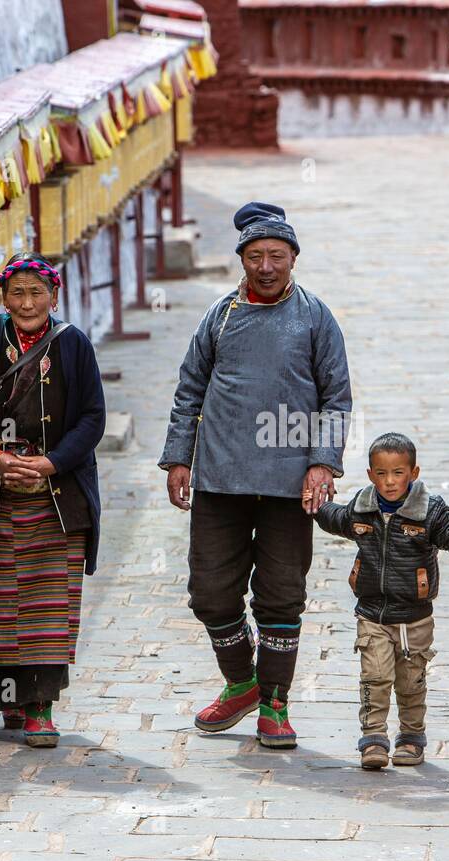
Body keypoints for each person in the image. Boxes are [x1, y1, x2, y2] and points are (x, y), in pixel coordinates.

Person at [159, 201, 352, 748]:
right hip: (220, 478)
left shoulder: (315, 317)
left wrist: (322, 462)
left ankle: (274, 704)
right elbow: (189, 390)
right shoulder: (218, 317)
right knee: (211, 594)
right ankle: (240, 682)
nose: (266, 266)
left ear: (293, 258)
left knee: (281, 593)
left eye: (277, 256)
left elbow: (336, 399)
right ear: (241, 259)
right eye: (255, 256)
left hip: (290, 484)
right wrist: (180, 457)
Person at [0, 252, 106, 747]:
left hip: (53, 498)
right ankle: (7, 699)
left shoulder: (73, 345)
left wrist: (52, 463)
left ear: (53, 297)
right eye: (18, 293)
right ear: (3, 297)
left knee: (44, 604)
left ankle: (40, 707)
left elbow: (92, 418)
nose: (28, 302)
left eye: (37, 292)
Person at [314, 433, 449, 769]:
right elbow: (336, 519)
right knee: (375, 677)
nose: (390, 481)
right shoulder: (362, 508)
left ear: (414, 472)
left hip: (415, 617)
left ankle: (411, 738)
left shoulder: (430, 513)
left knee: (411, 682)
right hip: (372, 614)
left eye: (398, 473)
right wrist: (315, 505)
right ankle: (373, 739)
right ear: (370, 474)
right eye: (381, 474)